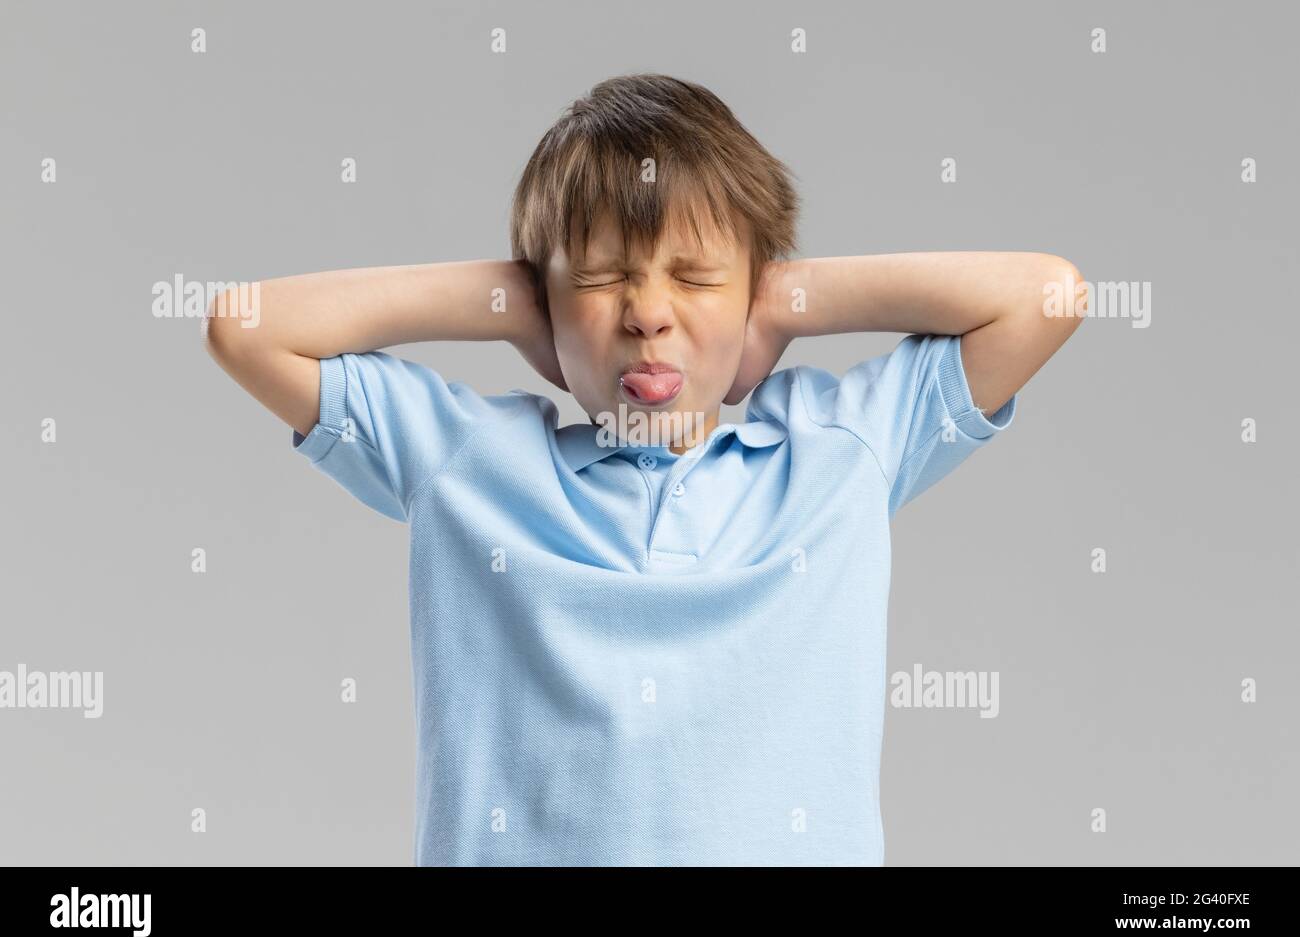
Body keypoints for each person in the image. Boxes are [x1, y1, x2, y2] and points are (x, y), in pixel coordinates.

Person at [203, 73, 1084, 865]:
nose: (648, 314)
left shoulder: (835, 454)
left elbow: (1048, 298)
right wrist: (513, 299)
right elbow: (245, 328)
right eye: (599, 277)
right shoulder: (467, 462)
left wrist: (780, 303)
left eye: (696, 277)